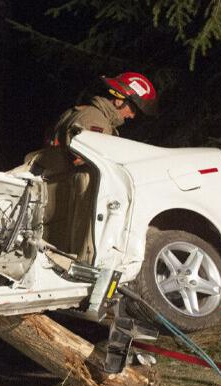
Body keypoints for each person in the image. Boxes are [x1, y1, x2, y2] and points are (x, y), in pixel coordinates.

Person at [32, 72, 159, 263]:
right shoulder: (94, 118)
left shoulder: (88, 114)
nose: (132, 116)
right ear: (118, 100)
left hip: (57, 194)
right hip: (68, 197)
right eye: (133, 108)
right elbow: (87, 160)